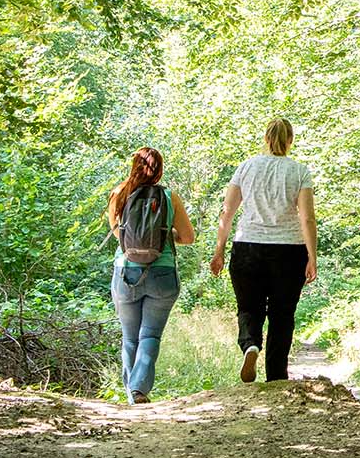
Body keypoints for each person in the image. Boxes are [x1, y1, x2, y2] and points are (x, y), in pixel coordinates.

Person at [209, 118, 317, 383]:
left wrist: (219, 250)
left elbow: (228, 212)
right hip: (289, 251)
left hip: (248, 247)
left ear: (266, 139)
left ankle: (251, 345)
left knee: (248, 307)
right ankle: (276, 378)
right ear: (290, 140)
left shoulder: (246, 167)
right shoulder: (299, 171)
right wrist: (312, 256)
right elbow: (307, 218)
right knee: (282, 315)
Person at [107, 147, 194, 403]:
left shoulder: (119, 193)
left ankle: (132, 394)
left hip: (126, 273)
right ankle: (139, 388)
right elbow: (188, 237)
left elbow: (118, 235)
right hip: (162, 273)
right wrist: (165, 236)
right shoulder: (169, 196)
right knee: (150, 335)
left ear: (134, 166)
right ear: (160, 169)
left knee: (130, 336)